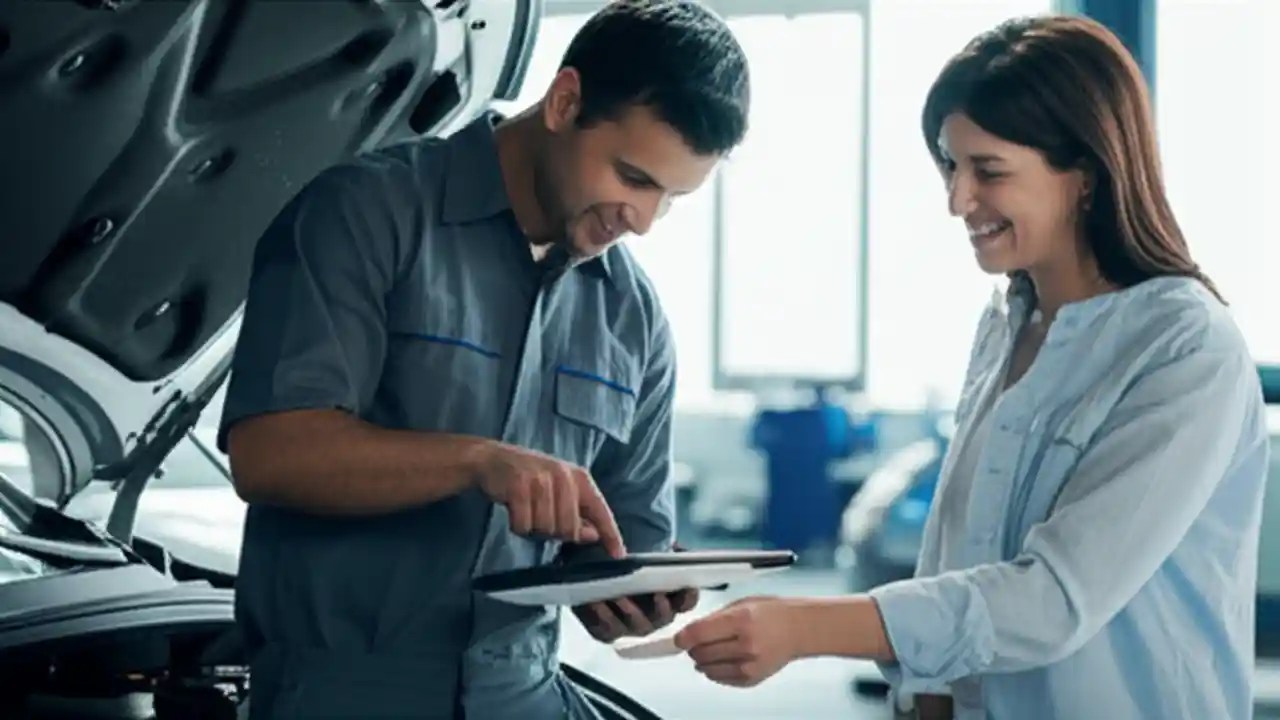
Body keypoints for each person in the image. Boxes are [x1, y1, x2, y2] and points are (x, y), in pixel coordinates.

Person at [673, 14, 1268, 720]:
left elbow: (1051, 599)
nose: (957, 200)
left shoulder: (1185, 347)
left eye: (989, 171)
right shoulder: (1006, 328)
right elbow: (956, 562)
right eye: (951, 167)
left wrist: (804, 628)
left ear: (1085, 174)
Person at [216, 2, 750, 718]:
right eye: (633, 178)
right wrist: (477, 462)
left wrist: (628, 597)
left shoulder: (634, 318)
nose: (644, 221)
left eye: (672, 199)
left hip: (523, 692)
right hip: (343, 692)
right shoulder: (363, 214)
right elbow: (269, 454)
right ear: (565, 102)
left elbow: (619, 549)